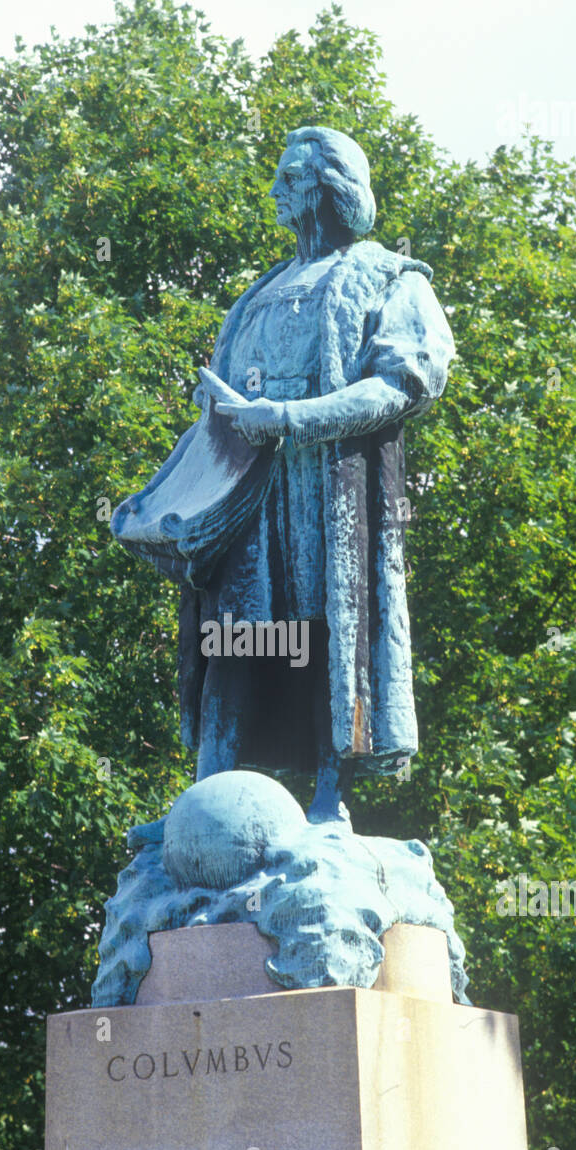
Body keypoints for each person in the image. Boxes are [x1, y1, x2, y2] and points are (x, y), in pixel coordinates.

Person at [117, 126, 455, 837]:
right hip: (248, 486)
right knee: (233, 634)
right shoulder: (261, 288)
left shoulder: (395, 279)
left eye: (289, 178)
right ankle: (203, 805)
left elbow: (400, 386)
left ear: (330, 189)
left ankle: (328, 801)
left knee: (325, 629)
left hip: (327, 489)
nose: (274, 191)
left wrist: (290, 418)